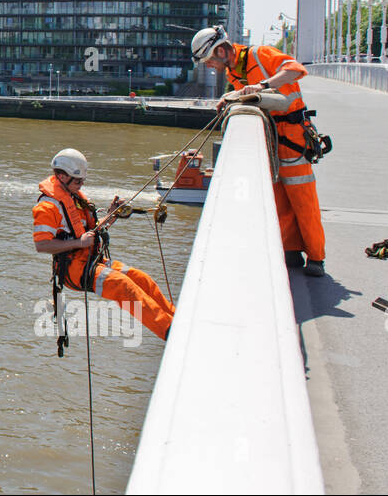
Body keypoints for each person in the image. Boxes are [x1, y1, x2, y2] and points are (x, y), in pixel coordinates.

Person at [191, 25, 327, 276]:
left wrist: (262, 85)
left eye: (210, 60)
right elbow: (249, 90)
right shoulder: (235, 72)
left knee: (302, 196)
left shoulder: (260, 55)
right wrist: (231, 95)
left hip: (293, 134)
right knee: (279, 196)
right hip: (274, 135)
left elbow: (296, 70)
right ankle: (291, 250)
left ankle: (317, 257)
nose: (210, 66)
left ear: (221, 51)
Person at [33, 148, 176, 340]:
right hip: (75, 270)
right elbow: (41, 245)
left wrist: (111, 214)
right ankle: (169, 331)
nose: (81, 184)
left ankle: (175, 318)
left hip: (92, 260)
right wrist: (79, 242)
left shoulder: (74, 198)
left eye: (83, 180)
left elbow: (90, 231)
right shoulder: (47, 207)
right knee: (123, 286)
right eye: (78, 181)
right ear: (61, 176)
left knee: (141, 279)